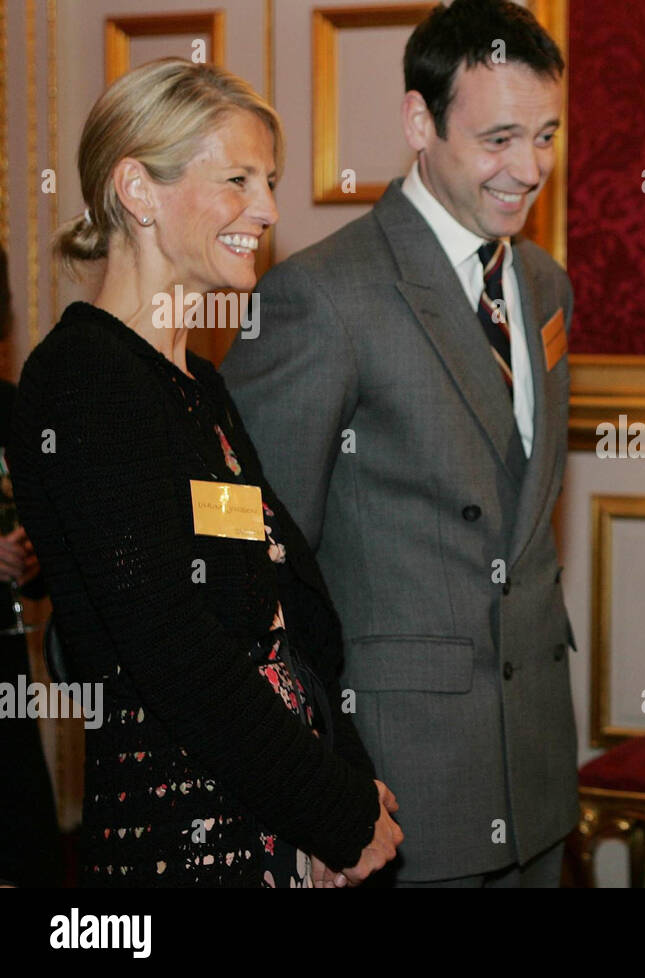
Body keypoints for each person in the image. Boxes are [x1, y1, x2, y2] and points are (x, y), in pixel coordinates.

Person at [9, 59, 402, 887]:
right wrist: (336, 815)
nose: (265, 210)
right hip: (182, 852)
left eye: (269, 181)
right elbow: (175, 655)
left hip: (271, 825)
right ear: (137, 191)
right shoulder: (83, 380)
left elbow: (289, 618)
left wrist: (349, 793)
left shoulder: (199, 390)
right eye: (237, 180)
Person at [222, 0, 576, 887]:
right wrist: (313, 791)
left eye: (545, 136)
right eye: (498, 138)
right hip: (399, 786)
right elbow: (256, 564)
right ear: (420, 121)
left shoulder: (544, 281)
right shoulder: (321, 298)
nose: (528, 168)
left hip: (535, 769)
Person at [0, 244, 61, 888]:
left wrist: (35, 553)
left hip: (9, 662)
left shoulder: (14, 407)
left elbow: (46, 570)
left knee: (29, 855)